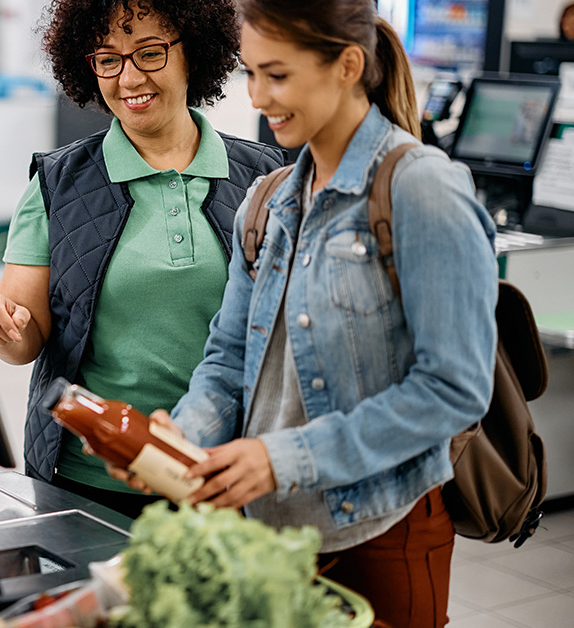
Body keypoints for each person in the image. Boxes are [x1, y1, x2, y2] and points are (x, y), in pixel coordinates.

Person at [109, 0, 498, 624]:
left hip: (380, 536)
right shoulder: (267, 201)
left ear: (348, 65)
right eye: (251, 73)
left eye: (278, 75)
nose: (259, 97)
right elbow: (228, 358)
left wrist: (281, 458)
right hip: (268, 537)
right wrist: (179, 441)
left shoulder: (421, 189)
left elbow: (453, 389)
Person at [0, 0, 284, 520]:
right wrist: (4, 330)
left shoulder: (266, 175)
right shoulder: (57, 184)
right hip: (89, 479)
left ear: (194, 53)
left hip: (224, 473)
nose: (130, 78)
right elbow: (26, 338)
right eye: (108, 59)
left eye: (150, 52)